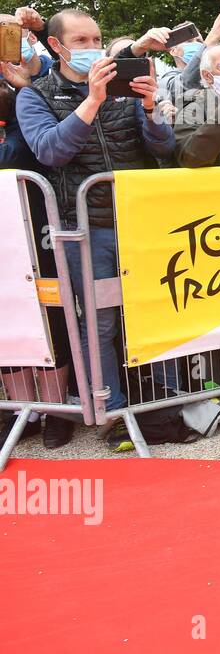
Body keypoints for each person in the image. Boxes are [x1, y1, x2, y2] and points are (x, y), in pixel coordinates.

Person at [15, 8, 174, 436]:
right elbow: (50, 151)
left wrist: (150, 104)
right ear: (56, 46)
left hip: (141, 223)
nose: (92, 49)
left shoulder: (126, 88)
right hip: (87, 228)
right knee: (99, 323)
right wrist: (91, 101)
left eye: (96, 39)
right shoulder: (36, 94)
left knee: (156, 311)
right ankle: (111, 413)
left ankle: (169, 401)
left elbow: (163, 148)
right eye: (81, 41)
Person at [0, 65, 76, 448]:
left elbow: (18, 152)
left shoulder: (23, 113)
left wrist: (21, 85)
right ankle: (21, 409)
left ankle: (56, 409)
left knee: (49, 312)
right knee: (5, 315)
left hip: (34, 230)